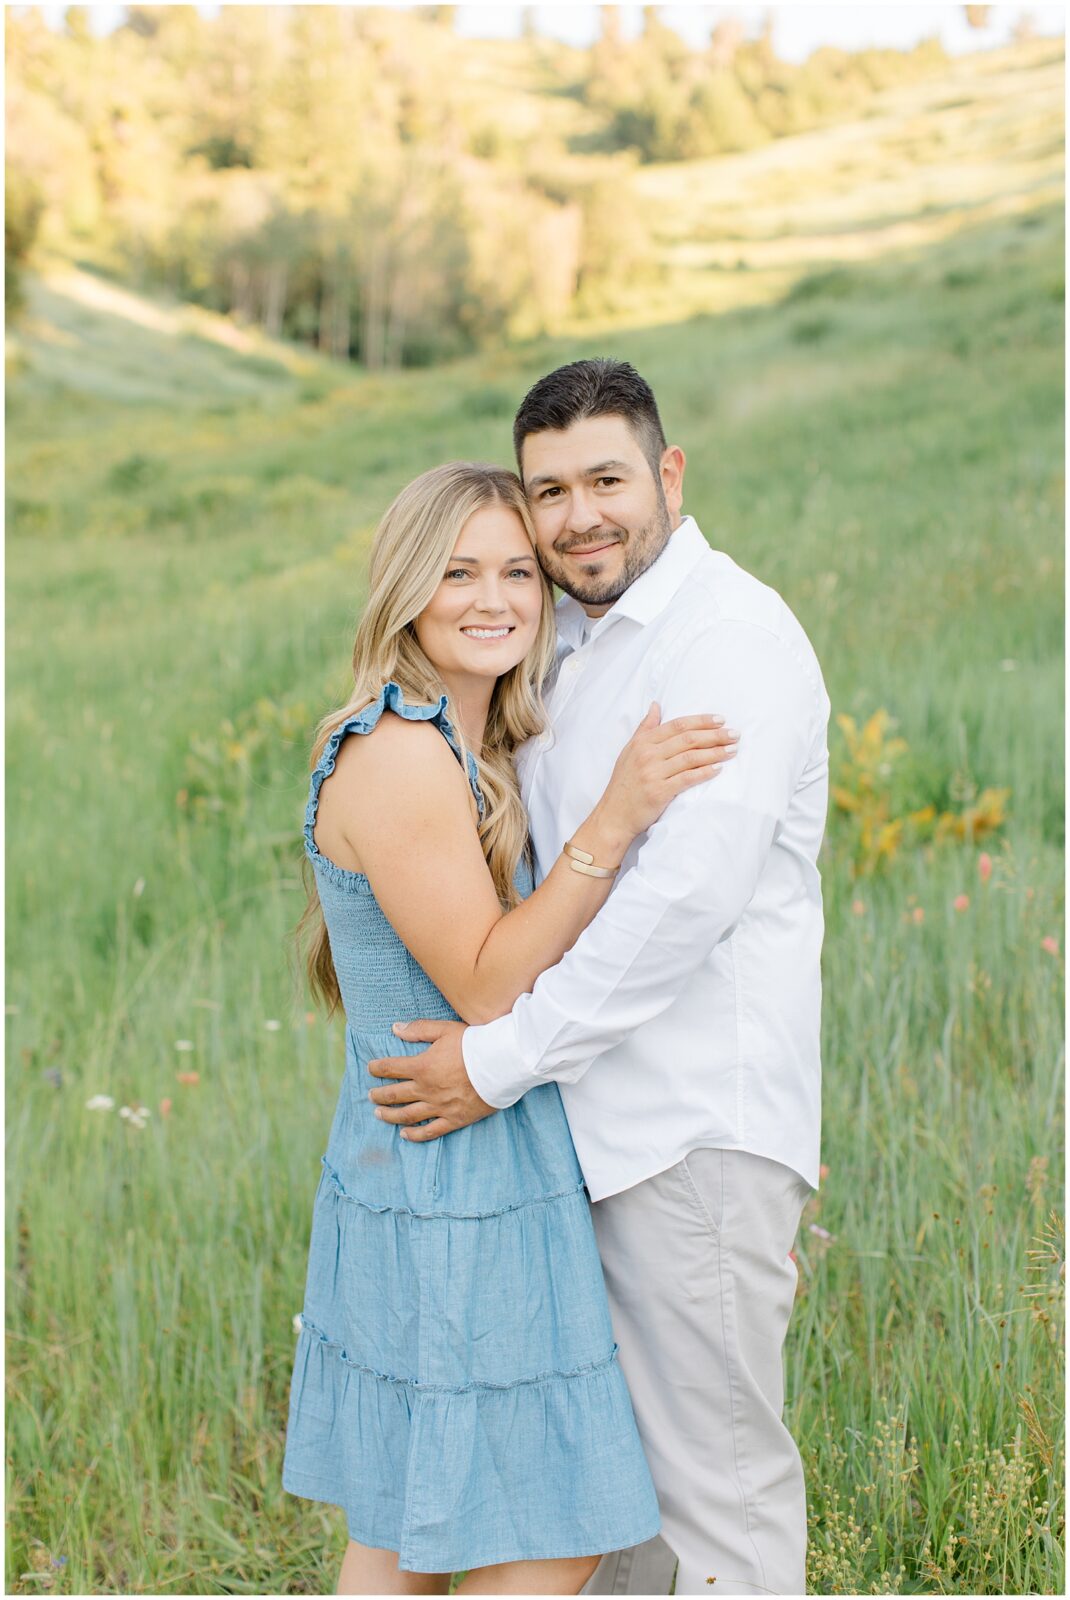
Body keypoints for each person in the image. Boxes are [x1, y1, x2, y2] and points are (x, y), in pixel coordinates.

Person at [368, 360, 831, 1596]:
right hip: (577, 1145)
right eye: (550, 491)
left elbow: (680, 908)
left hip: (680, 1139)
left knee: (714, 1514)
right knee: (602, 1516)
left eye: (607, 480)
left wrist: (496, 1061)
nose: (579, 516)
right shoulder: (564, 636)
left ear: (667, 475)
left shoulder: (726, 641)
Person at [281, 459, 740, 1596]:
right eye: (457, 572)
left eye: (516, 573)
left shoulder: (465, 748)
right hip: (449, 1179)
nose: (493, 598)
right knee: (547, 1525)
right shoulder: (397, 755)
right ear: (405, 591)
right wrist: (616, 815)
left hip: (459, 1158)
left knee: (409, 1522)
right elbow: (488, 985)